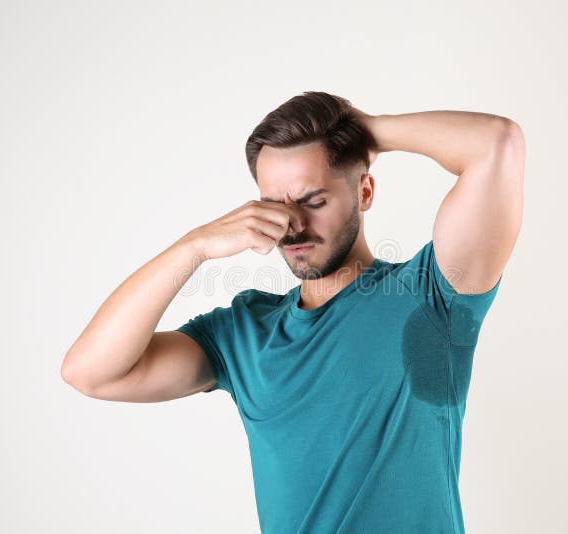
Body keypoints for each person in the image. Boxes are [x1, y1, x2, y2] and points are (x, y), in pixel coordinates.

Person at [61, 91, 525, 533]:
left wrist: (367, 129)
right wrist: (195, 246)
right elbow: (91, 372)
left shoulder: (430, 297)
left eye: (313, 201)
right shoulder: (243, 333)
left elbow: (497, 145)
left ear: (364, 191)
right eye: (274, 206)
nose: (293, 225)